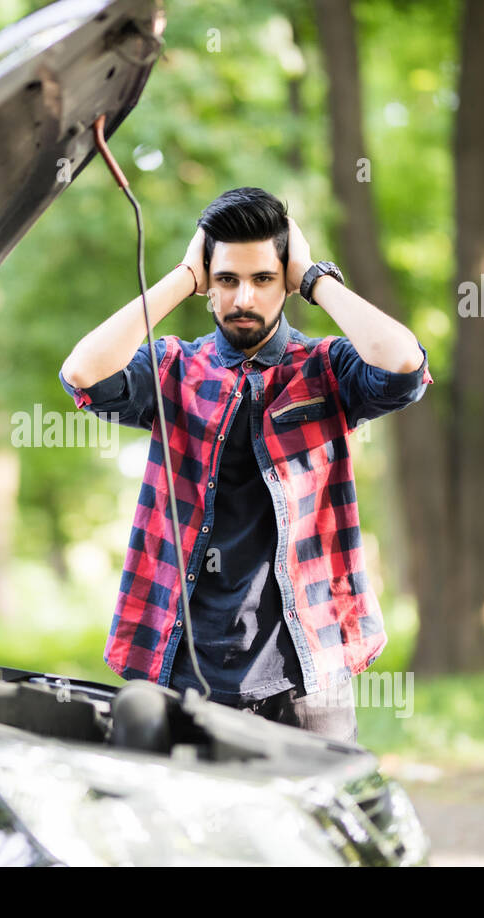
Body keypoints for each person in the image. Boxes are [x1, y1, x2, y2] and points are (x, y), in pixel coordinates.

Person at [58, 187, 433, 744]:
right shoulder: (174, 370)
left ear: (284, 280)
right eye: (227, 279)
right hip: (183, 670)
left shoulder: (326, 368)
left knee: (316, 828)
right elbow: (83, 374)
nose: (244, 299)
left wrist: (314, 276)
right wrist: (185, 274)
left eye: (262, 279)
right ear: (210, 284)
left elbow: (403, 364)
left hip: (309, 672)